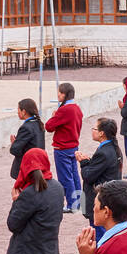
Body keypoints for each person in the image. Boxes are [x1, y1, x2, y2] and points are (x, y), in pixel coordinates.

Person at [77, 118, 124, 239]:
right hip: (110, 197)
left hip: (101, 200)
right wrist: (89, 161)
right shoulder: (113, 148)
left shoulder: (103, 152)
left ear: (102, 133)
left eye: (94, 129)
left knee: (101, 237)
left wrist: (84, 163)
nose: (92, 131)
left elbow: (88, 176)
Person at [45, 83, 84, 213]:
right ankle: (79, 202)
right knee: (74, 175)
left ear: (65, 94)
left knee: (65, 177)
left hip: (62, 147)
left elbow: (49, 126)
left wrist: (54, 115)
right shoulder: (77, 108)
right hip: (74, 146)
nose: (58, 95)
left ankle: (71, 205)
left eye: (60, 93)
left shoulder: (64, 110)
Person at [9, 97, 46, 180]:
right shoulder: (39, 124)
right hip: (38, 164)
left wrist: (14, 144)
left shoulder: (26, 128)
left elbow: (15, 150)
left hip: (26, 167)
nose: (17, 112)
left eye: (18, 109)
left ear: (24, 111)